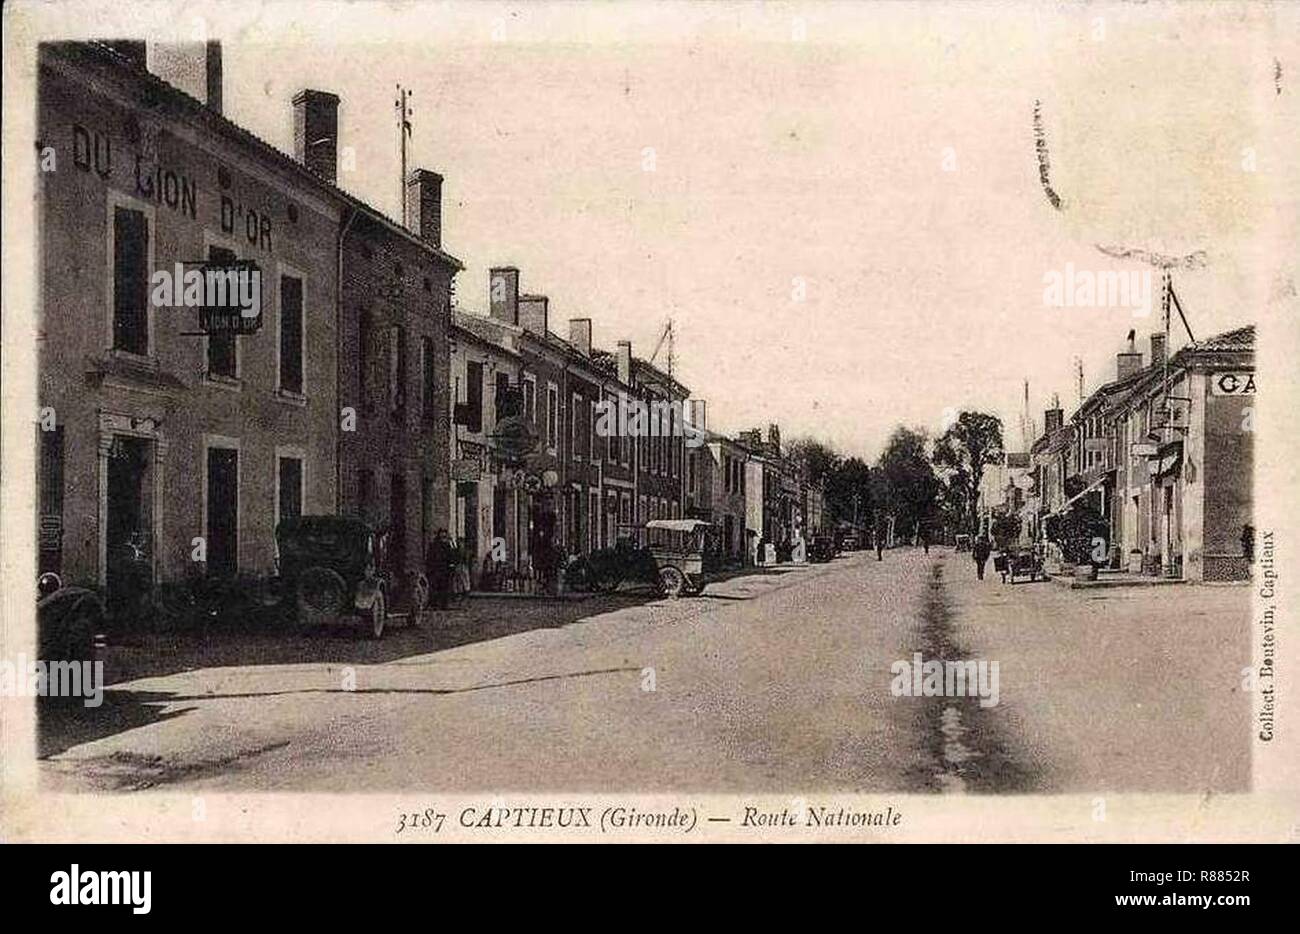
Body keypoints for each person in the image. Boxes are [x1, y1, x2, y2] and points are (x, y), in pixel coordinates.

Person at [426, 529, 454, 609]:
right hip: (435, 569)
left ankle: (443, 604)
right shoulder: (433, 545)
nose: (443, 537)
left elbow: (450, 557)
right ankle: (434, 604)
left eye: (444, 536)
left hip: (444, 570)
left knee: (444, 588)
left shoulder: (447, 545)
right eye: (442, 535)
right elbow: (430, 557)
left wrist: (450, 566)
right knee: (435, 587)